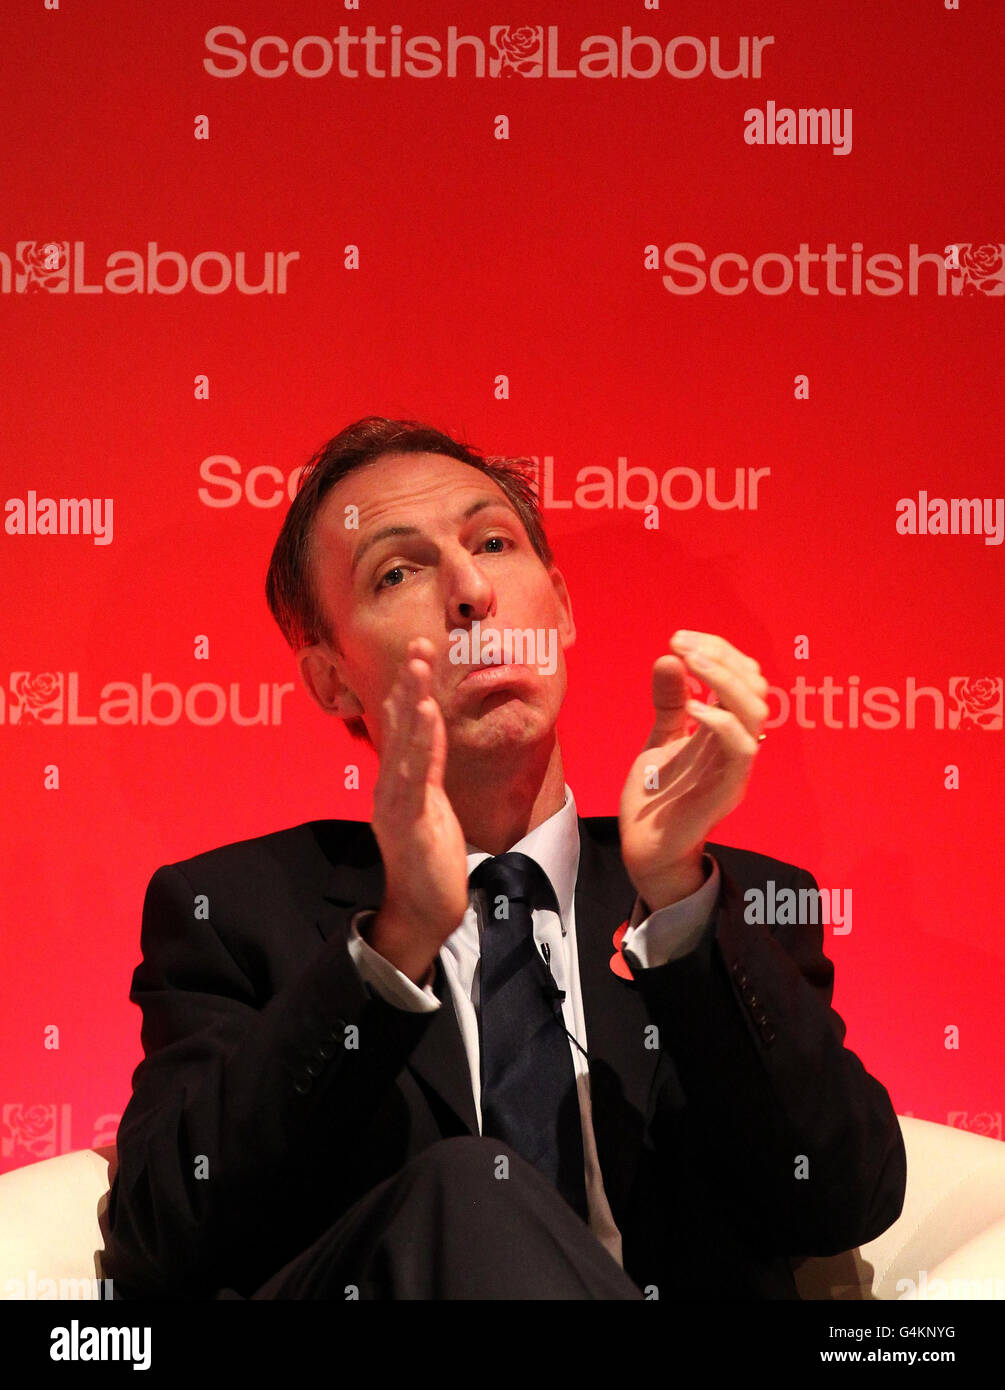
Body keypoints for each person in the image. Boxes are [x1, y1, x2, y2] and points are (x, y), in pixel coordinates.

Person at [102, 416, 906, 1300]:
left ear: (559, 608)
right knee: (467, 1188)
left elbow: (842, 1198)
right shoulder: (234, 914)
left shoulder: (731, 902)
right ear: (331, 678)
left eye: (492, 541)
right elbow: (161, 1235)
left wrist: (678, 906)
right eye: (397, 572)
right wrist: (393, 946)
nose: (470, 589)